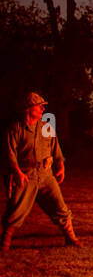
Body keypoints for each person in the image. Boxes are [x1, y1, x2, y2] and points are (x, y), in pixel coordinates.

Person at [2, 92, 79, 250]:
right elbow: (9, 153)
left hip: (45, 174)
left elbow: (56, 150)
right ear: (28, 109)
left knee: (60, 207)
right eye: (40, 106)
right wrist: (17, 172)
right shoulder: (15, 129)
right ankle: (5, 241)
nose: (43, 108)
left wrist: (61, 166)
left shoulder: (46, 127)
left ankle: (71, 238)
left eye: (43, 106)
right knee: (16, 209)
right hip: (25, 174)